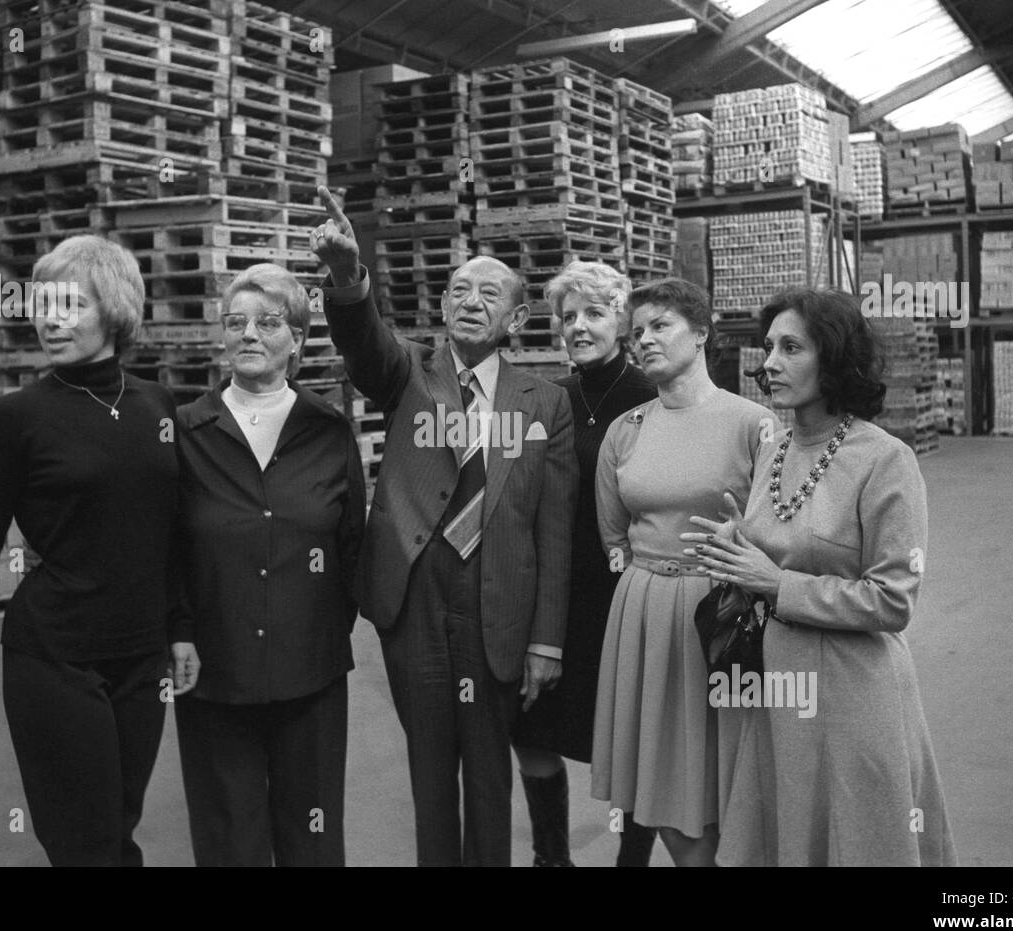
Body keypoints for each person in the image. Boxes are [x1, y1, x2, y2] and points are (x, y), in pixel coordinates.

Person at [311, 185, 579, 866]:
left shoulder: (545, 402)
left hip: (499, 607)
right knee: (429, 776)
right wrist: (347, 277)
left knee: (489, 776)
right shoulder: (407, 374)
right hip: (416, 603)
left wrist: (547, 642)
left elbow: (553, 530)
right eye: (459, 289)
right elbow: (361, 339)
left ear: (516, 318)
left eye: (489, 294)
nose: (469, 300)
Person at [0, 235, 197, 866]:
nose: (50, 319)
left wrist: (181, 629)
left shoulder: (157, 405)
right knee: (83, 844)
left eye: (70, 305)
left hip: (140, 662)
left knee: (119, 830)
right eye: (43, 303)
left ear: (113, 310)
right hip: (54, 658)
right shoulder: (18, 418)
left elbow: (170, 533)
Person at [688, 287, 957, 866]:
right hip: (776, 689)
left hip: (853, 694)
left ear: (832, 358)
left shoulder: (886, 460)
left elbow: (893, 600)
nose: (770, 363)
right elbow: (775, 549)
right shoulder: (774, 450)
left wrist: (775, 582)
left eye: (791, 348)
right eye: (768, 348)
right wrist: (738, 548)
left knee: (858, 842)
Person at [170, 263, 365, 866]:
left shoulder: (328, 431)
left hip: (311, 671)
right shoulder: (186, 431)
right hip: (211, 669)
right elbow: (168, 547)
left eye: (268, 322)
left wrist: (326, 629)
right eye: (236, 323)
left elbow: (351, 543)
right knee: (230, 837)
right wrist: (178, 633)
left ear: (298, 340)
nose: (249, 334)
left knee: (311, 837)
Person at [591, 277, 770, 867]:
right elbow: (613, 535)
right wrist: (642, 587)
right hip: (644, 612)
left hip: (722, 614)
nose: (643, 340)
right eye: (635, 331)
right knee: (662, 776)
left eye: (660, 325)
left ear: (701, 332)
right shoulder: (625, 432)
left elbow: (778, 529)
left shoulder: (755, 425)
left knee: (726, 770)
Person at [510, 261, 657, 867]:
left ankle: (631, 863)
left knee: (631, 745)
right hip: (554, 595)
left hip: (625, 596)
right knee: (533, 731)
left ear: (622, 320)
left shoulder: (652, 398)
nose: (578, 326)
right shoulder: (549, 400)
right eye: (567, 316)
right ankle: (552, 857)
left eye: (593, 313)